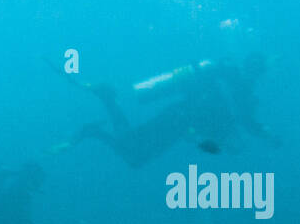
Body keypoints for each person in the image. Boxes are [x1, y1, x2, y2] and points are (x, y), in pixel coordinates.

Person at [56, 52, 280, 167]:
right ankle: (104, 103)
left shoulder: (228, 80)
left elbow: (241, 121)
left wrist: (264, 132)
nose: (258, 76)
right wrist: (267, 133)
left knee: (134, 156)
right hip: (179, 121)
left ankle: (100, 114)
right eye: (259, 71)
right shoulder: (240, 91)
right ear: (257, 72)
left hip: (179, 119)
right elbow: (247, 123)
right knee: (133, 153)